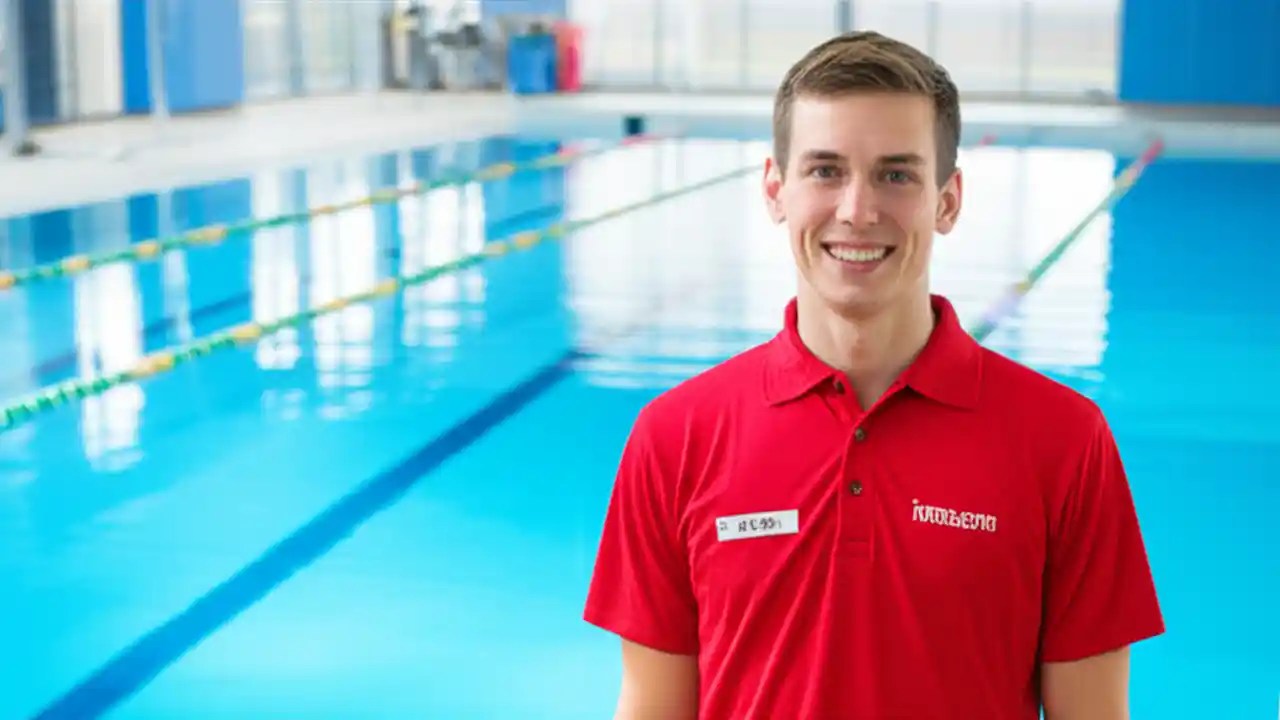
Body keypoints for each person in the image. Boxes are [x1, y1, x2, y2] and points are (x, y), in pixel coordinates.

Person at [582, 30, 1164, 720]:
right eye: (826, 170)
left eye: (896, 174)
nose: (857, 210)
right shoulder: (677, 437)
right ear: (776, 189)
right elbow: (652, 707)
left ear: (948, 200)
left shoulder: (1062, 440)